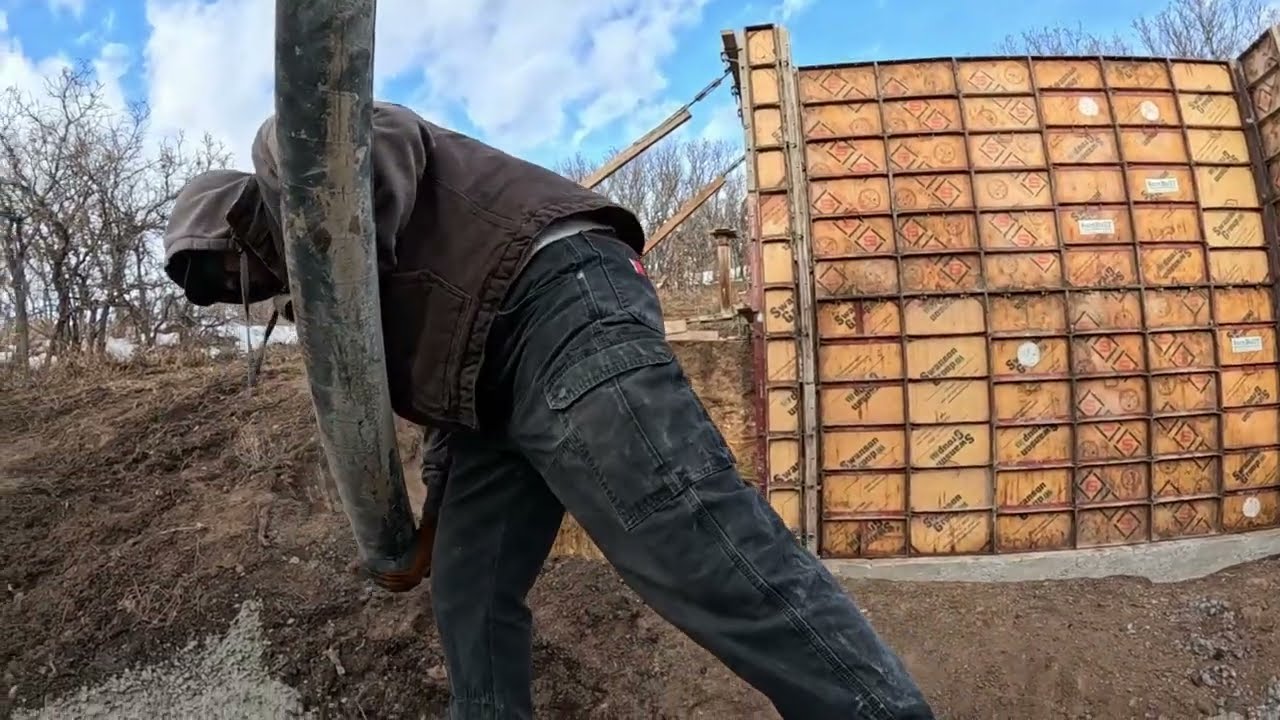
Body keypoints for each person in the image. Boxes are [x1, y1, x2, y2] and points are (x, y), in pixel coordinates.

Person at [161, 101, 934, 719]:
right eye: (227, 286)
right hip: (486, 398)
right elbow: (443, 406)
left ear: (235, 220)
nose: (243, 286)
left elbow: (379, 141)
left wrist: (351, 245)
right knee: (469, 595)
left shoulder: (300, 151)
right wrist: (427, 529)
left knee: (690, 543)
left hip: (553, 298)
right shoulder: (335, 311)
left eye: (228, 268)